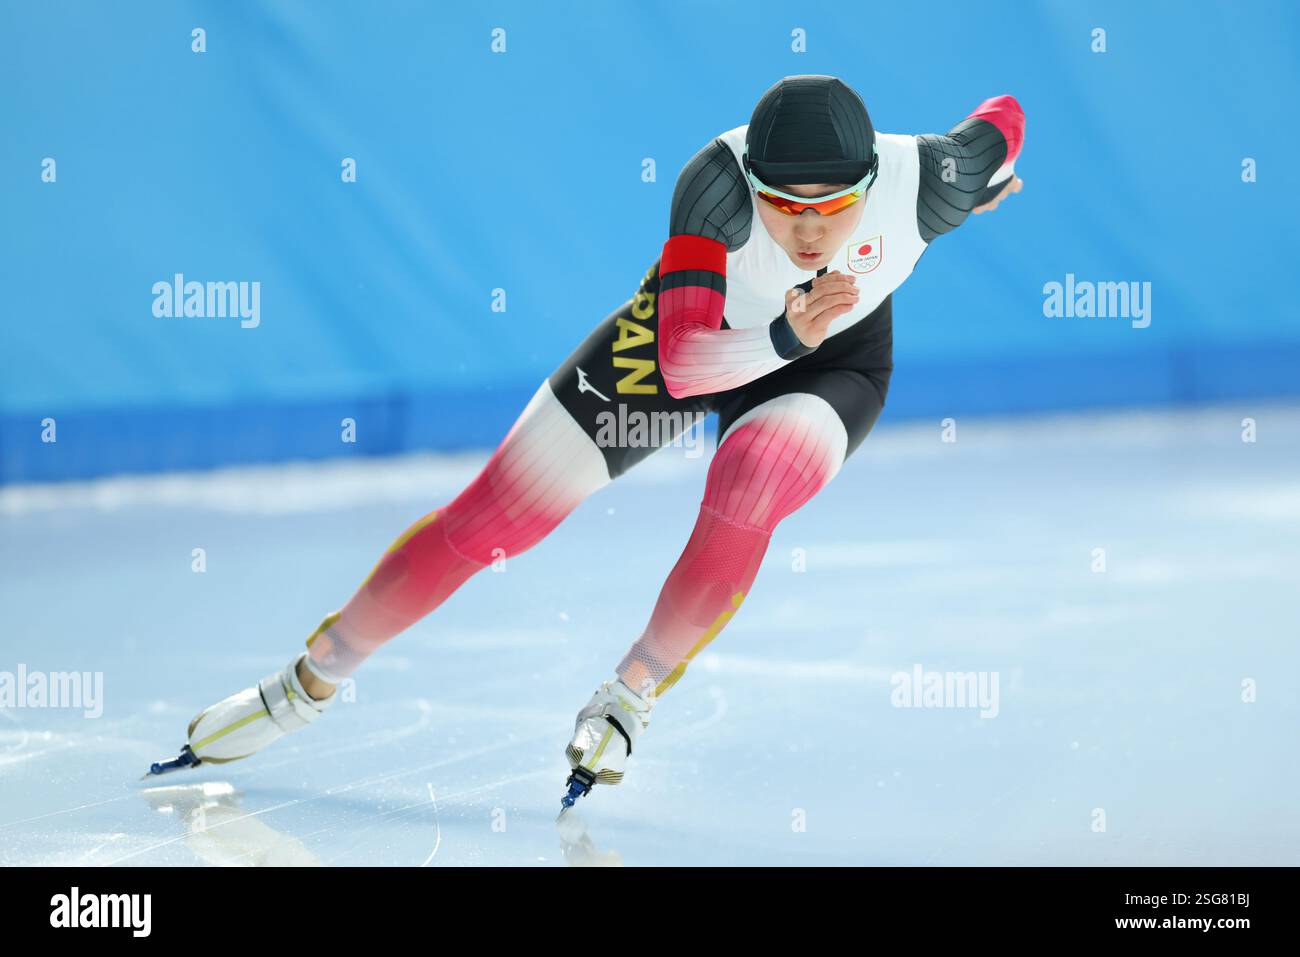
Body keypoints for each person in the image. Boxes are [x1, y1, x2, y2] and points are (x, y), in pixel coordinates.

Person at [147, 75, 1026, 810]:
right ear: (752, 184)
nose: (805, 232)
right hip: (691, 345)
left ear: (869, 183)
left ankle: (631, 691)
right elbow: (683, 368)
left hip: (832, 364)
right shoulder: (714, 190)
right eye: (782, 206)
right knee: (491, 519)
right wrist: (786, 331)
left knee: (751, 475)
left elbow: (1004, 118)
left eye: (830, 208)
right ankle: (308, 680)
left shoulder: (929, 180)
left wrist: (989, 175)